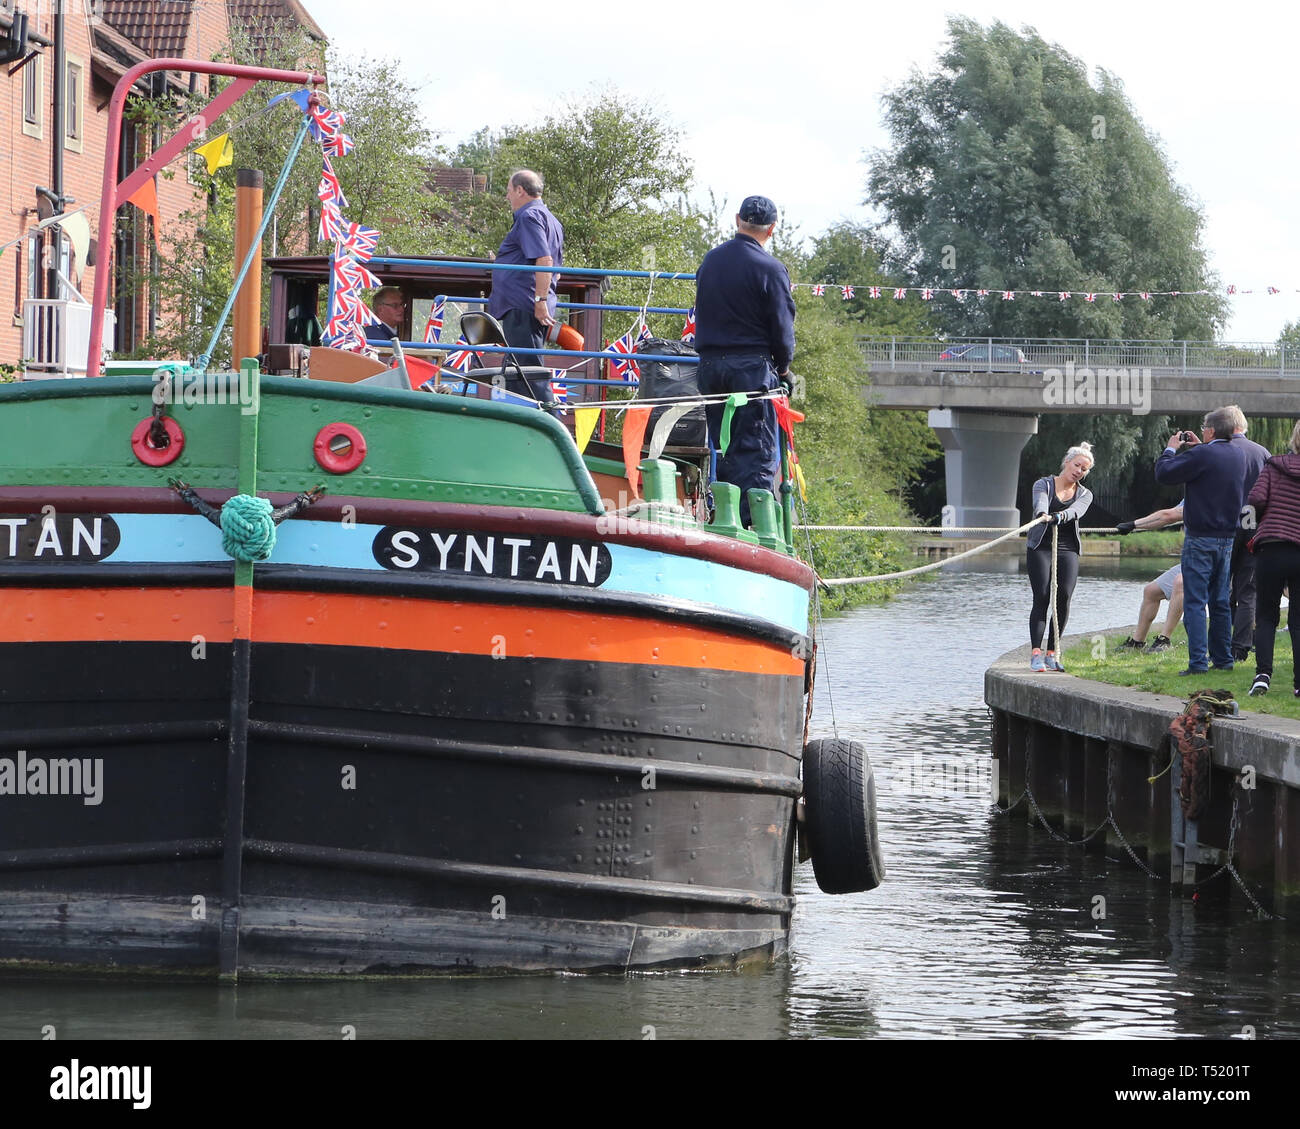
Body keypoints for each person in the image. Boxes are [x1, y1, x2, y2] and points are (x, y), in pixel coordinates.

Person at [694, 194, 796, 527]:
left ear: (738, 219)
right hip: (750, 370)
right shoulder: (771, 268)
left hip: (710, 367)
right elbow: (781, 326)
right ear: (772, 229)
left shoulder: (710, 261)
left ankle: (721, 515)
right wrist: (783, 367)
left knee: (722, 444)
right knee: (754, 449)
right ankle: (749, 528)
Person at [1154, 407, 1248, 675]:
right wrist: (1200, 448)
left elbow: (1164, 473)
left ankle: (1197, 663)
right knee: (1219, 601)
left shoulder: (1203, 453)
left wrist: (1172, 448)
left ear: (1210, 430)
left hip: (1200, 538)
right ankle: (1223, 660)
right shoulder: (1237, 454)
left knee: (1195, 601)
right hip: (1227, 538)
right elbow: (1211, 465)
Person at [1027, 442, 1094, 672]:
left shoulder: (1085, 494)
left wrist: (1060, 516)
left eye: (1084, 469)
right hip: (1041, 546)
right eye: (1077, 465)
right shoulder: (1043, 484)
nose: (1079, 471)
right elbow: (1040, 502)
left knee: (1063, 597)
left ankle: (1052, 652)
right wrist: (1044, 515)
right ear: (1067, 462)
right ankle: (1036, 653)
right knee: (1042, 596)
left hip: (1067, 548)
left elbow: (1077, 511)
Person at [486, 169, 564, 367]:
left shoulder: (529, 217)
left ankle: (545, 399)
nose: (507, 196)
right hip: (526, 303)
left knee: (528, 369)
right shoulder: (551, 220)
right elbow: (555, 268)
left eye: (509, 190)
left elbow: (545, 260)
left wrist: (540, 300)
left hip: (523, 304)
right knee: (515, 368)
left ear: (520, 190)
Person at [1244, 420, 1300, 696]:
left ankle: (1262, 675)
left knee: (1266, 615)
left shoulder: (1274, 465)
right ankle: (1299, 684)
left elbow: (1254, 499)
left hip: (1272, 547)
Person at [1226, 405, 1270, 662]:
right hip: (1254, 527)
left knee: (1219, 585)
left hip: (1226, 528)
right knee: (1248, 590)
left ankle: (1220, 642)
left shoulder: (1219, 451)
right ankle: (1241, 647)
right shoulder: (1263, 453)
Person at [1115, 503, 1185, 653]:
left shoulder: (1207, 492)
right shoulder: (1192, 492)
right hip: (1190, 560)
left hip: (1211, 560)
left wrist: (1134, 524)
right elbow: (1171, 513)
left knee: (1180, 583)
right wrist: (1134, 526)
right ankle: (1137, 642)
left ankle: (1164, 640)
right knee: (1151, 591)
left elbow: (1168, 516)